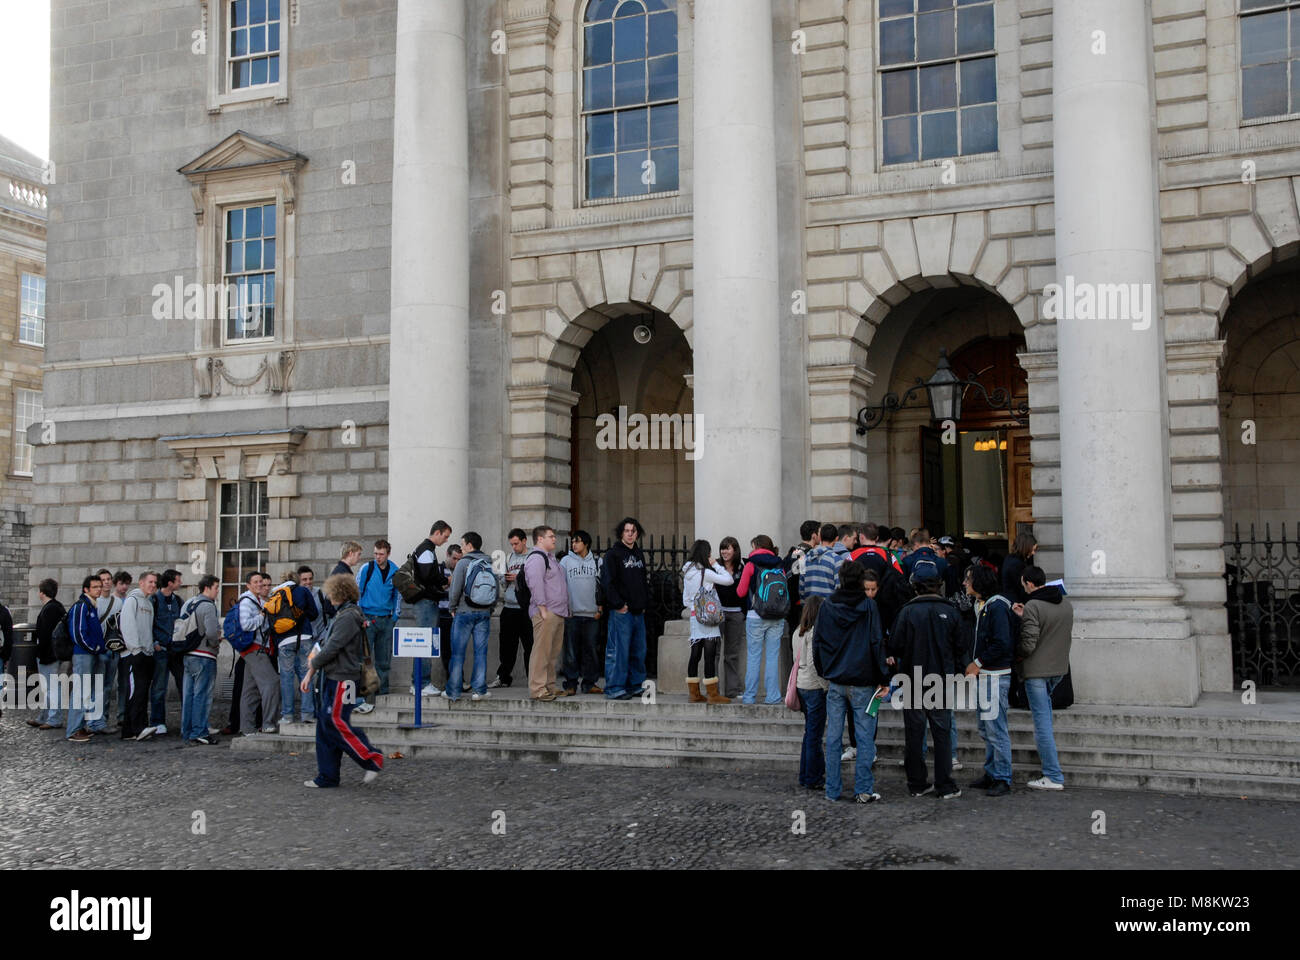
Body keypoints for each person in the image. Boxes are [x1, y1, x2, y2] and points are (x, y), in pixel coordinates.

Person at [888, 559, 966, 800]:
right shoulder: (951, 611)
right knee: (942, 733)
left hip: (912, 677)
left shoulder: (907, 612)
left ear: (915, 585)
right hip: (941, 678)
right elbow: (961, 646)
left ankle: (917, 783)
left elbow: (896, 645)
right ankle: (944, 784)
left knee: (914, 733)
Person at [813, 561, 890, 802]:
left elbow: (818, 642)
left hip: (837, 679)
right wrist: (882, 677)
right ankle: (863, 789)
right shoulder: (868, 606)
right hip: (862, 680)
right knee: (865, 737)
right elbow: (877, 642)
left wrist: (825, 670)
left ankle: (832, 789)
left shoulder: (827, 607)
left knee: (834, 737)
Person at [301, 573, 384, 788]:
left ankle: (371, 758)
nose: (328, 598)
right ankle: (327, 775)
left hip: (341, 679)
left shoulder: (347, 616)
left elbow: (332, 647)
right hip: (333, 677)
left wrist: (312, 666)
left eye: (331, 594)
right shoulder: (344, 615)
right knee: (326, 728)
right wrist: (312, 671)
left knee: (334, 722)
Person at [1017, 565, 1072, 791]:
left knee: (1042, 725)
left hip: (1036, 671)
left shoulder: (1033, 605)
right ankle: (1052, 773)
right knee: (1045, 717)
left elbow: (1029, 643)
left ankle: (1053, 775)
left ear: (1029, 584)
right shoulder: (1065, 604)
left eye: (1023, 584)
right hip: (1058, 669)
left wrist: (1016, 656)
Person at [966, 563, 1017, 796]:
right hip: (987, 675)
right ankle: (992, 772)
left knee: (995, 728)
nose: (965, 583)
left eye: (969, 579)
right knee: (986, 727)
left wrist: (978, 662)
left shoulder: (995, 607)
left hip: (994, 675)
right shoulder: (982, 605)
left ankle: (1002, 777)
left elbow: (1001, 642)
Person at [600, 517, 650, 701]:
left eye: (633, 531)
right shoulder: (613, 554)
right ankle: (614, 687)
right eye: (627, 530)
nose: (630, 534)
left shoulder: (639, 554)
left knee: (639, 650)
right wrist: (619, 604)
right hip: (622, 612)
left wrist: (644, 604)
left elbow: (643, 581)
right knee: (618, 651)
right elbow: (607, 582)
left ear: (637, 533)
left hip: (638, 611)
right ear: (621, 533)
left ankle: (635, 685)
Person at [735, 534, 788, 705]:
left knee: (754, 656)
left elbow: (741, 592)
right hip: (777, 616)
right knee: (773, 656)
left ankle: (750, 696)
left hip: (755, 615)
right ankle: (773, 696)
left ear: (757, 547)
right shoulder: (780, 564)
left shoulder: (751, 565)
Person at [444, 532, 496, 702]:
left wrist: (452, 607)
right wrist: (490, 608)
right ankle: (479, 690)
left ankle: (453, 691)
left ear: (469, 545)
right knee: (481, 653)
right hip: (484, 612)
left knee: (458, 653)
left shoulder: (463, 563)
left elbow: (455, 589)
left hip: (464, 612)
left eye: (462, 544)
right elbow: (495, 589)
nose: (461, 547)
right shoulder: (488, 562)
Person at [681, 539, 734, 704]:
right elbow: (728, 580)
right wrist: (716, 565)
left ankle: (694, 694)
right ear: (706, 554)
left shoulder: (687, 572)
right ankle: (712, 695)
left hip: (694, 616)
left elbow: (685, 600)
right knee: (709, 655)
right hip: (707, 617)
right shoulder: (706, 573)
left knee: (695, 654)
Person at [269, 570, 320, 726]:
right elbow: (314, 614)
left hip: (283, 641)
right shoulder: (303, 590)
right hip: (305, 637)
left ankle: (288, 715)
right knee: (307, 674)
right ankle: (307, 714)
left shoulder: (275, 594)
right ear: (297, 580)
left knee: (286, 677)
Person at [523, 525, 569, 701]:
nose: (554, 539)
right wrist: (542, 607)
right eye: (551, 536)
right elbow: (535, 583)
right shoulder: (537, 558)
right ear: (540, 539)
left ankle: (549, 686)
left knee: (552, 653)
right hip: (546, 612)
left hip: (557, 611)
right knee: (541, 652)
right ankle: (537, 689)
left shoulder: (550, 559)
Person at [408, 521, 452, 697]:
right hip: (425, 602)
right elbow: (427, 574)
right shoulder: (426, 549)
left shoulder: (426, 549)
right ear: (438, 532)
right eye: (446, 536)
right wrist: (444, 580)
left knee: (425, 641)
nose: (446, 540)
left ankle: (419, 682)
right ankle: (421, 683)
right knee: (424, 642)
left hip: (425, 601)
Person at [354, 539, 399, 711]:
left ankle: (382, 690)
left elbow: (397, 596)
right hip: (368, 618)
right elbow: (357, 591)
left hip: (386, 619)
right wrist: (361, 616)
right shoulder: (367, 568)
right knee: (365, 657)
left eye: (381, 554)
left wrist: (395, 617)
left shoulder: (395, 571)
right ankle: (365, 692)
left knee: (384, 658)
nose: (378, 557)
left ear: (388, 554)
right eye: (375, 554)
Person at [235, 571, 281, 733]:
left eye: (261, 581)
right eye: (255, 582)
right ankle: (269, 723)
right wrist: (261, 616)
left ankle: (246, 728)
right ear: (248, 585)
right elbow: (246, 624)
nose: (260, 584)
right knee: (272, 682)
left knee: (250, 690)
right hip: (254, 648)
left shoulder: (259, 600)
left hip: (255, 649)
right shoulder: (247, 602)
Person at [180, 574, 223, 745]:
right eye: (216, 588)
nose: (218, 591)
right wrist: (215, 643)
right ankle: (199, 731)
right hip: (204, 654)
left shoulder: (188, 603)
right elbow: (212, 632)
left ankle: (187, 730)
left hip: (188, 653)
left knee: (188, 694)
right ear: (208, 588)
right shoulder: (208, 606)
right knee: (202, 695)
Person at [560, 530, 603, 696]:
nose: (574, 544)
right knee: (571, 651)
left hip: (592, 614)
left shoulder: (598, 562)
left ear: (586, 543)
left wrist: (600, 608)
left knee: (591, 650)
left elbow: (602, 587)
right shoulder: (565, 561)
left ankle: (589, 683)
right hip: (572, 614)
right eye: (572, 542)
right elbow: (560, 586)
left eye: (577, 541)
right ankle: (570, 684)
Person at [792, 595, 827, 790]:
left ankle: (806, 774)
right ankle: (813, 776)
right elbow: (815, 664)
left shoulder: (798, 632)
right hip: (813, 687)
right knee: (814, 734)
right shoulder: (813, 633)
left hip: (801, 685)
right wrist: (825, 686)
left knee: (809, 733)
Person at [492, 528, 534, 689]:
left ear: (524, 541)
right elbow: (503, 584)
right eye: (511, 544)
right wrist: (503, 577)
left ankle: (532, 677)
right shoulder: (508, 557)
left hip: (526, 607)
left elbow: (537, 580)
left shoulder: (532, 557)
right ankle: (503, 676)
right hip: (509, 606)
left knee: (529, 644)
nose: (514, 547)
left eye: (516, 543)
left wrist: (519, 578)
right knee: (507, 646)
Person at [65, 576, 105, 743]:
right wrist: (92, 648)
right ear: (86, 589)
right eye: (95, 587)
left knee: (85, 692)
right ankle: (73, 730)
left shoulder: (91, 605)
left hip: (90, 654)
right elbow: (78, 633)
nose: (98, 589)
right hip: (83, 654)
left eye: (99, 586)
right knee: (80, 691)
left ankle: (79, 726)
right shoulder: (82, 606)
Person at [119, 571, 158, 741]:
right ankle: (136, 728)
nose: (153, 585)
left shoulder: (149, 604)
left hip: (146, 653)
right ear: (141, 583)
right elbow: (127, 626)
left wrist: (149, 649)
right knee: (135, 692)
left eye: (155, 582)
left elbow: (147, 629)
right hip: (133, 654)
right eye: (150, 582)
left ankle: (130, 730)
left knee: (142, 692)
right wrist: (136, 649)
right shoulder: (132, 600)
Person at [147, 569, 186, 737]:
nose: (181, 583)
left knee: (184, 685)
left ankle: (188, 721)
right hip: (161, 649)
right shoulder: (154, 600)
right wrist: (154, 642)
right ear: (170, 582)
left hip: (176, 650)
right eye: (178, 580)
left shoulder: (178, 600)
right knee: (159, 687)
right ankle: (157, 721)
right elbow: (148, 623)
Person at [28, 579, 67, 730]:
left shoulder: (50, 609)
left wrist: (40, 653)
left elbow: (45, 635)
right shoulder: (57, 607)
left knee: (51, 688)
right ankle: (44, 717)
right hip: (53, 653)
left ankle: (54, 718)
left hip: (49, 654)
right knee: (47, 688)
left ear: (42, 593)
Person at [98, 570, 130, 730]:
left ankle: (119, 716)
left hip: (116, 647)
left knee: (115, 684)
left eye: (109, 579)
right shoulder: (95, 601)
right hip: (100, 648)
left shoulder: (117, 602)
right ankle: (100, 719)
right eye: (103, 580)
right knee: (102, 685)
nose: (107, 582)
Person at [715, 536, 747, 698]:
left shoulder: (743, 567)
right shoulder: (715, 567)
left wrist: (744, 612)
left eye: (728, 548)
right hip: (717, 614)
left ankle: (732, 690)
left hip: (736, 613)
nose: (724, 552)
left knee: (732, 654)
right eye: (722, 548)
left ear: (735, 550)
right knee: (714, 653)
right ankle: (713, 690)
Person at [784, 520, 820, 637]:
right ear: (814, 536)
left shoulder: (792, 553)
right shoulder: (811, 555)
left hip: (790, 603)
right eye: (820, 532)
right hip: (803, 604)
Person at [437, 545, 463, 692]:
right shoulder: (439, 570)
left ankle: (459, 679)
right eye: (454, 558)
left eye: (459, 559)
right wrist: (448, 582)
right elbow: (435, 590)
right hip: (443, 614)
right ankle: (450, 681)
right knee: (446, 650)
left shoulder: (461, 569)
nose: (456, 562)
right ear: (447, 555)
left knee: (458, 650)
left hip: (457, 615)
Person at [320, 541, 363, 623]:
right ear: (351, 553)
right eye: (358, 554)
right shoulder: (342, 573)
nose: (359, 558)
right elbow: (330, 601)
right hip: (340, 618)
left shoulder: (342, 570)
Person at [799, 523, 840, 601]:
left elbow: (801, 587)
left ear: (820, 537)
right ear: (836, 538)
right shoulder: (837, 560)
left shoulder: (805, 558)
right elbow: (839, 588)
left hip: (809, 607)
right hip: (828, 608)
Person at [1001, 531, 1038, 606]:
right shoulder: (1017, 564)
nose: (1033, 553)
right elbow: (1022, 588)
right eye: (1032, 550)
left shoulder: (1011, 559)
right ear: (1025, 547)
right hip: (1016, 603)